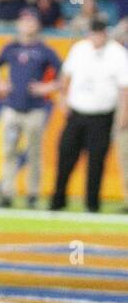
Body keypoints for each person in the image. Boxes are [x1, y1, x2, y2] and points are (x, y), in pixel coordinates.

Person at [50, 16, 128, 213]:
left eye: (100, 34)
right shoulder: (80, 49)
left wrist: (123, 115)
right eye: (93, 33)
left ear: (105, 34)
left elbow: (124, 88)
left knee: (96, 160)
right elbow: (66, 75)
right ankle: (58, 199)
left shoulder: (117, 53)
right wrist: (62, 98)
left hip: (102, 116)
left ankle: (92, 203)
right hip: (77, 112)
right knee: (66, 155)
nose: (96, 38)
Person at [0, 8, 61, 208]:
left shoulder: (44, 50)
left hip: (35, 109)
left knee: (34, 153)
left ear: (38, 25)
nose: (28, 25)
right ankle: (7, 192)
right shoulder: (10, 48)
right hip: (12, 107)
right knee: (9, 151)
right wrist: (0, 83)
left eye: (32, 21)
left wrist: (47, 87)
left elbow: (64, 74)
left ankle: (33, 193)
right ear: (18, 24)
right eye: (24, 21)